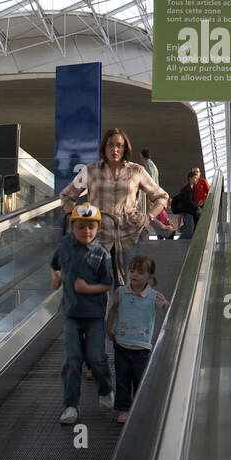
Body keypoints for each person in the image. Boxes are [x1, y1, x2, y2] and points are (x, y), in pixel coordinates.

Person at [59, 128, 169, 287]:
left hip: (128, 234)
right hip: (98, 236)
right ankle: (102, 311)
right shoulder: (90, 171)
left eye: (119, 145)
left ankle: (123, 311)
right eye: (110, 145)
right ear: (104, 147)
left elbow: (161, 196)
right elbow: (66, 196)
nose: (114, 149)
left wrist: (148, 217)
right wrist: (80, 218)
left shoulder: (136, 171)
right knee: (98, 282)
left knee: (128, 285)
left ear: (125, 148)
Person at [51, 203, 114, 425]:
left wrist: (88, 289)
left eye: (91, 227)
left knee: (96, 358)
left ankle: (105, 388)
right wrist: (56, 278)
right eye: (81, 227)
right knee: (71, 360)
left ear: (97, 229)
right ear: (72, 227)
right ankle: (70, 405)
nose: (86, 231)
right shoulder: (65, 247)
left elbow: (107, 285)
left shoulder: (101, 254)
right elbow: (55, 266)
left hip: (94, 314)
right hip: (70, 313)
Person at [106, 254, 169, 424]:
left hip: (141, 347)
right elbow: (113, 310)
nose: (134, 275)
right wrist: (109, 328)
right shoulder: (121, 292)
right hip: (121, 344)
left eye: (140, 272)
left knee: (140, 378)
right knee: (122, 378)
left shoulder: (154, 296)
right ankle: (124, 408)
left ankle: (140, 406)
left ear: (150, 277)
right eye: (132, 270)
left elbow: (168, 307)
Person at [171, 168, 201, 239]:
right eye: (195, 178)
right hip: (187, 212)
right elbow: (188, 201)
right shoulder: (187, 189)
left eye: (197, 178)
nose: (197, 179)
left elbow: (190, 201)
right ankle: (179, 241)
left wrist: (197, 205)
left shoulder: (193, 188)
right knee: (190, 231)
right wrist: (197, 207)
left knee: (190, 228)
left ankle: (180, 230)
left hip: (189, 211)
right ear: (190, 179)